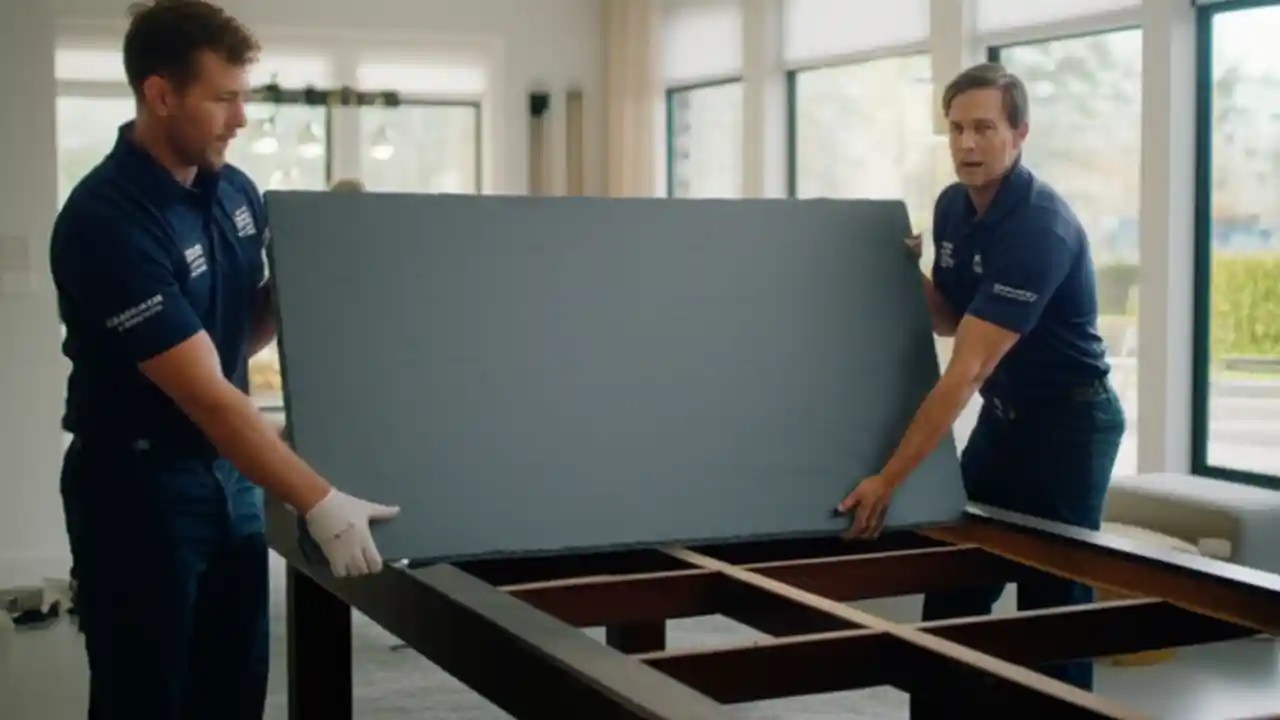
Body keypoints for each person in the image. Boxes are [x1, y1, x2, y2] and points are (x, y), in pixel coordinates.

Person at [49, 1, 399, 718]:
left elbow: (237, 331)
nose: (242, 117)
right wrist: (318, 500)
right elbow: (208, 395)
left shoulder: (233, 192)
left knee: (233, 690)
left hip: (227, 487)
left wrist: (313, 272)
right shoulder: (106, 222)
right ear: (161, 93)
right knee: (145, 697)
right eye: (225, 97)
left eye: (246, 96)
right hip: (138, 490)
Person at [833, 62, 1125, 701]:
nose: (967, 144)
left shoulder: (1039, 229)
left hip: (1071, 424)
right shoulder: (951, 205)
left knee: (1054, 607)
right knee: (957, 586)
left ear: (1020, 134)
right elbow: (948, 321)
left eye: (984, 128)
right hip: (1006, 417)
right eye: (957, 129)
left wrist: (890, 479)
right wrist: (902, 269)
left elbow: (965, 369)